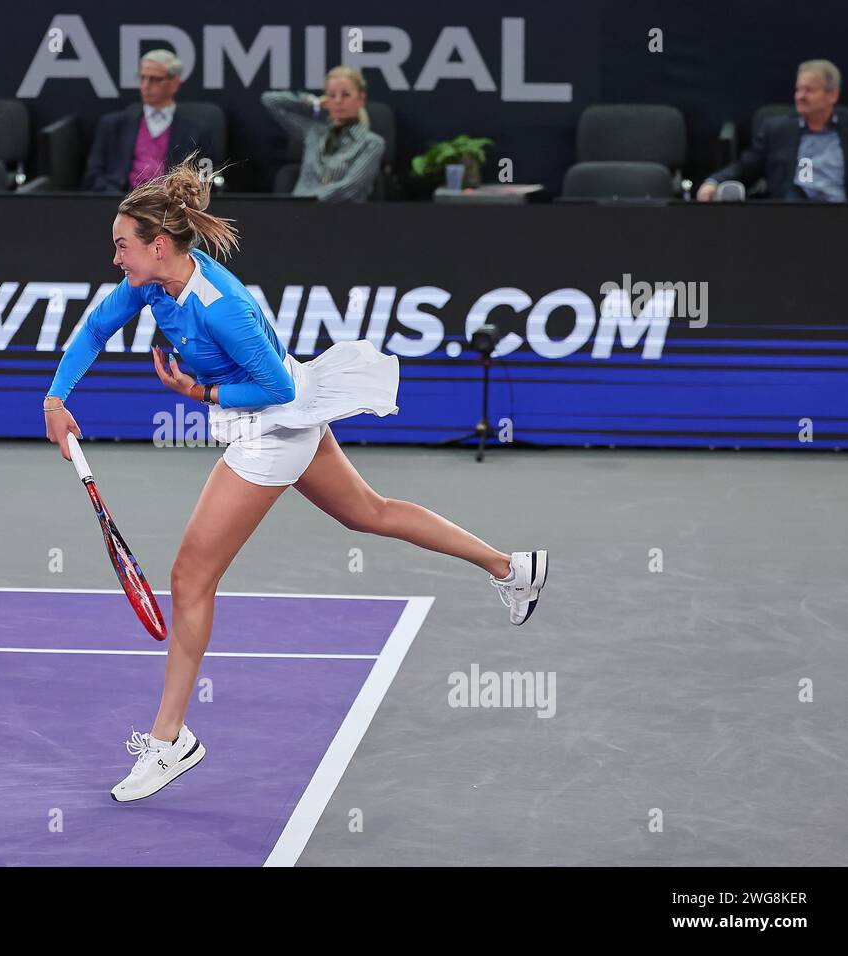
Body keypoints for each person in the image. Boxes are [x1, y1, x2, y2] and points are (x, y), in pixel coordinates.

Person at [43, 153, 547, 802]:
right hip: (285, 412)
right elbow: (94, 328)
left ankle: (170, 740)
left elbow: (276, 390)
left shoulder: (221, 307)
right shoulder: (150, 285)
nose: (115, 257)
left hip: (274, 428)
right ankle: (510, 567)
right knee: (369, 512)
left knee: (190, 578)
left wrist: (201, 393)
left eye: (122, 246)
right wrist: (57, 398)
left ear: (158, 246)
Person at [697, 59, 848, 202]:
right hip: (791, 214)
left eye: (809, 90)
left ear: (832, 95)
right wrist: (714, 182)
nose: (800, 96)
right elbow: (745, 168)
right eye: (798, 89)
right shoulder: (778, 131)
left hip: (841, 213)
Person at [82, 49, 217, 193]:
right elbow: (93, 176)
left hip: (172, 203)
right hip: (123, 200)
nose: (145, 86)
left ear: (175, 83)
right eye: (142, 78)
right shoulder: (112, 125)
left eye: (155, 79)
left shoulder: (197, 131)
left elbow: (205, 179)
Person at [262, 66, 386, 202]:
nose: (338, 101)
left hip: (341, 211)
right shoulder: (313, 131)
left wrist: (308, 201)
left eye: (345, 95)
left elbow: (350, 188)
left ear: (361, 99)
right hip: (298, 210)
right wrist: (311, 102)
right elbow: (270, 101)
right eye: (332, 95)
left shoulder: (372, 143)